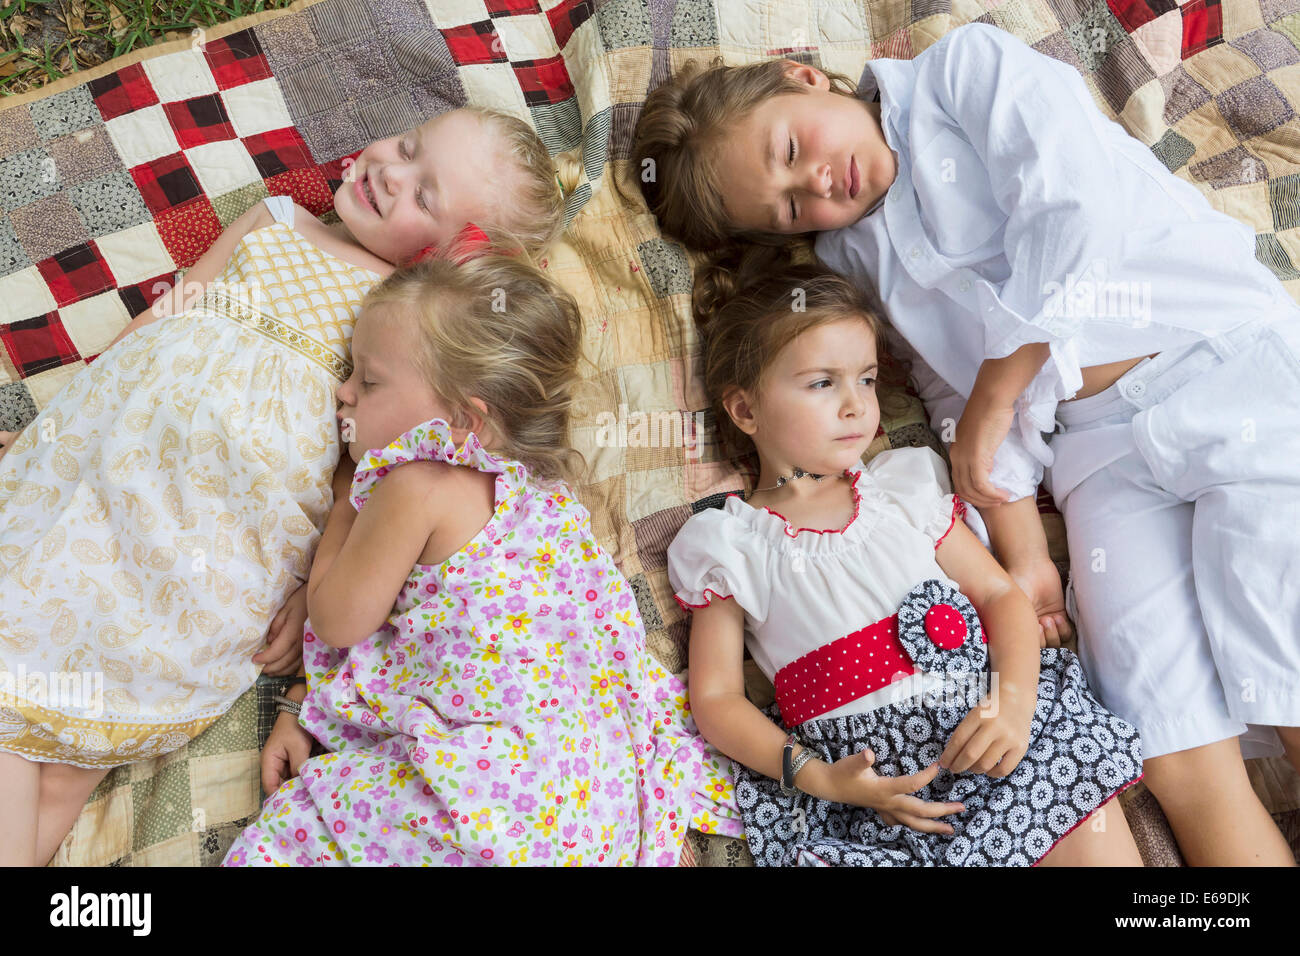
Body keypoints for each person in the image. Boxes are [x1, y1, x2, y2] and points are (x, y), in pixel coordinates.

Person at [632, 22, 1300, 864]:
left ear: (804, 75)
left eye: (793, 146)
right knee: (1161, 719)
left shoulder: (959, 76)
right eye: (792, 207)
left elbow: (1076, 207)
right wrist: (1025, 555)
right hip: (1097, 452)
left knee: (1283, 641)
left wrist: (998, 387)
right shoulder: (855, 254)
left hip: (1223, 360)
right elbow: (955, 392)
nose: (816, 183)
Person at [0, 106, 582, 867]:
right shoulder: (273, 218)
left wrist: (311, 585)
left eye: (424, 195)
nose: (391, 171)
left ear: (451, 256)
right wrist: (64, 416)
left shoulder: (407, 318)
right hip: (108, 472)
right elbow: (174, 307)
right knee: (34, 739)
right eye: (405, 143)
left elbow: (360, 476)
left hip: (211, 543)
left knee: (48, 741)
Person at [223, 252, 708, 866]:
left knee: (297, 831)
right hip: (597, 808)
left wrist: (346, 496)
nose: (341, 392)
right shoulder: (552, 509)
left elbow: (338, 619)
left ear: (460, 422)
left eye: (367, 381)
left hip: (502, 803)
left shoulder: (416, 485)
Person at [666, 258, 1144, 865]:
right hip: (869, 795)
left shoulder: (905, 487)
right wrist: (819, 778)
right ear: (745, 411)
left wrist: (1014, 704)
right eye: (822, 383)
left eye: (865, 380)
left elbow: (999, 598)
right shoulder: (726, 545)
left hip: (993, 729)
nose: (855, 405)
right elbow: (716, 700)